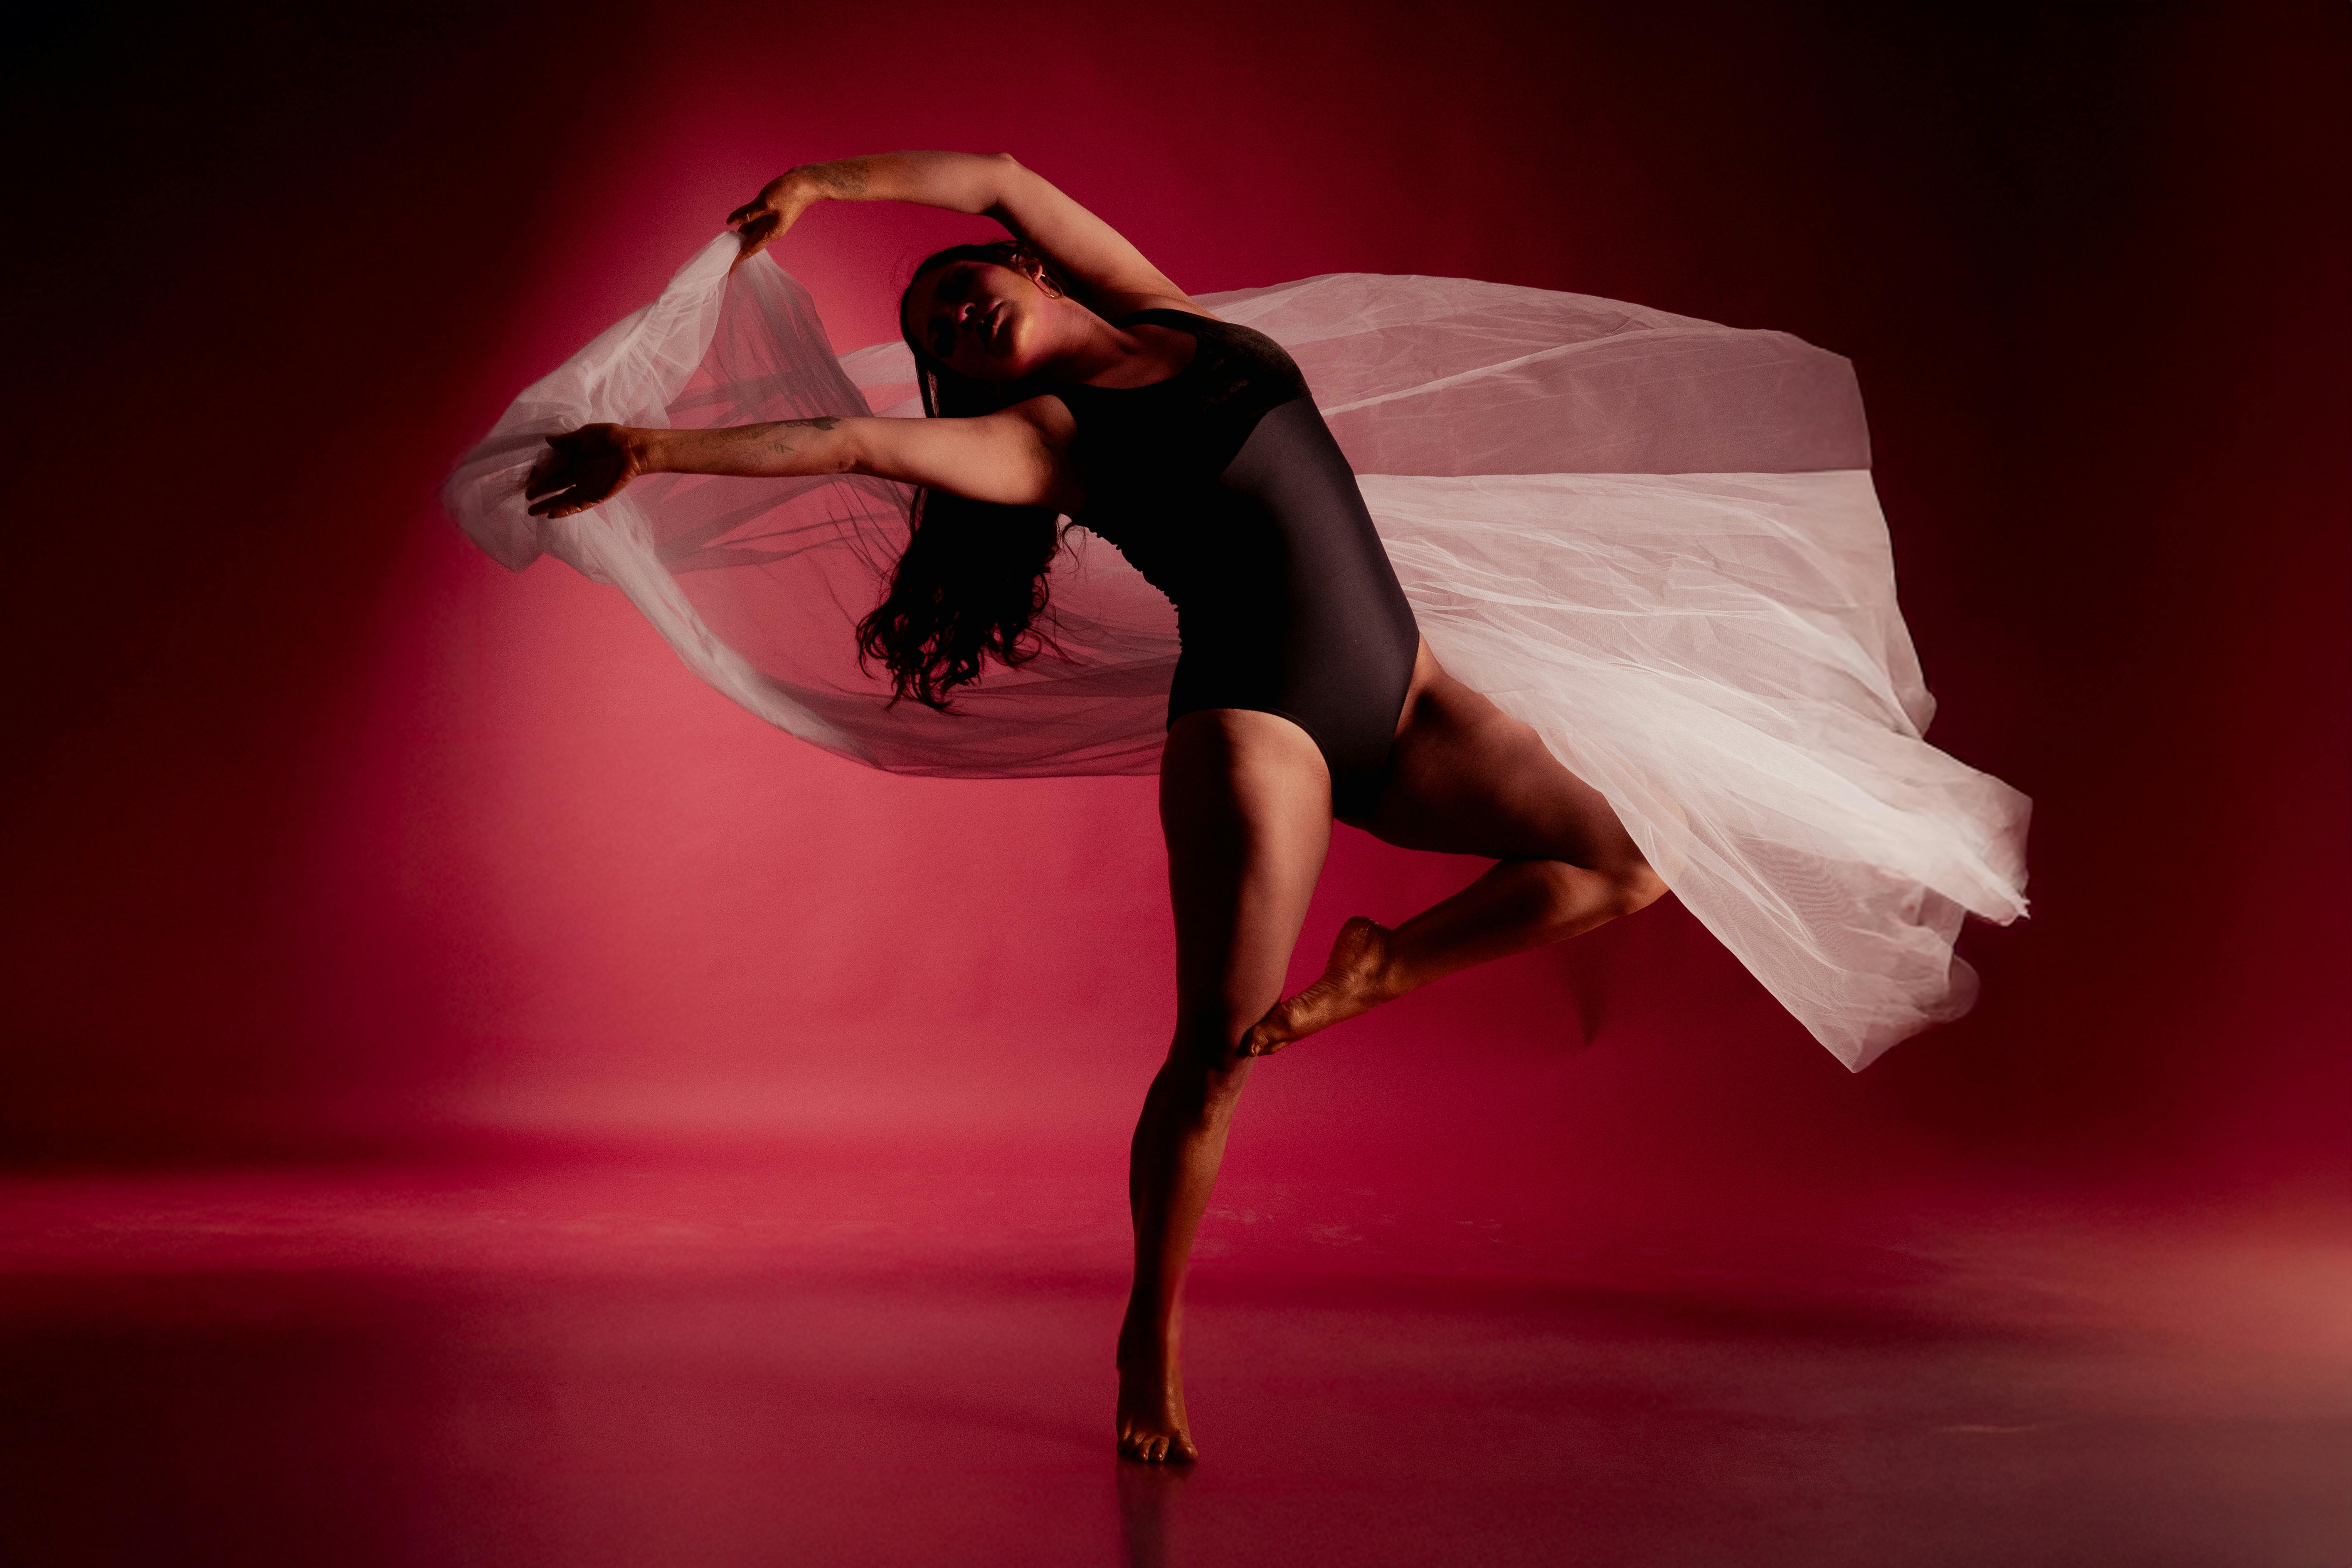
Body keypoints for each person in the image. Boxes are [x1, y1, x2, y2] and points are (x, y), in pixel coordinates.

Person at [496, 150, 2028, 1465]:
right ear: (972, 378)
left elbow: (1000, 173)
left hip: (1414, 697)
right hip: (1262, 726)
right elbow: (843, 437)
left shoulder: (1179, 321)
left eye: (959, 289)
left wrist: (832, 182)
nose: (955, 318)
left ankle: (1377, 969)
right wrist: (653, 448)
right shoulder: (1041, 445)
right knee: (1214, 1053)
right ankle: (1147, 1340)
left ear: (1020, 271)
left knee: (1632, 854)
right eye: (937, 335)